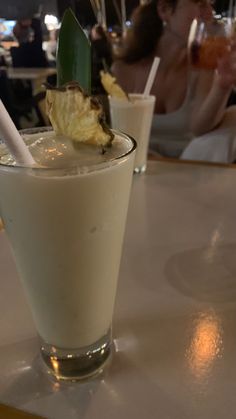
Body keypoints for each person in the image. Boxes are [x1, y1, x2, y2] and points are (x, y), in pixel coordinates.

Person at [111, 0, 236, 160]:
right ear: (165, 10)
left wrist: (222, 86)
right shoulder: (122, 70)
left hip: (190, 170)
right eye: (201, 4)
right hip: (137, 170)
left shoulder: (201, 67)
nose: (210, 13)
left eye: (210, 4)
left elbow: (199, 128)